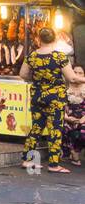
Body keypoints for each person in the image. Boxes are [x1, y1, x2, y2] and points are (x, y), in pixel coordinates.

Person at [19, 27, 83, 175]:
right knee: (55, 129)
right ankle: (54, 164)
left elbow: (23, 74)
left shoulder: (32, 56)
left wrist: (38, 79)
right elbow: (72, 78)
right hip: (55, 98)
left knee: (36, 128)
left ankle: (27, 159)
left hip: (38, 96)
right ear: (54, 39)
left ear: (38, 39)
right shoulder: (59, 57)